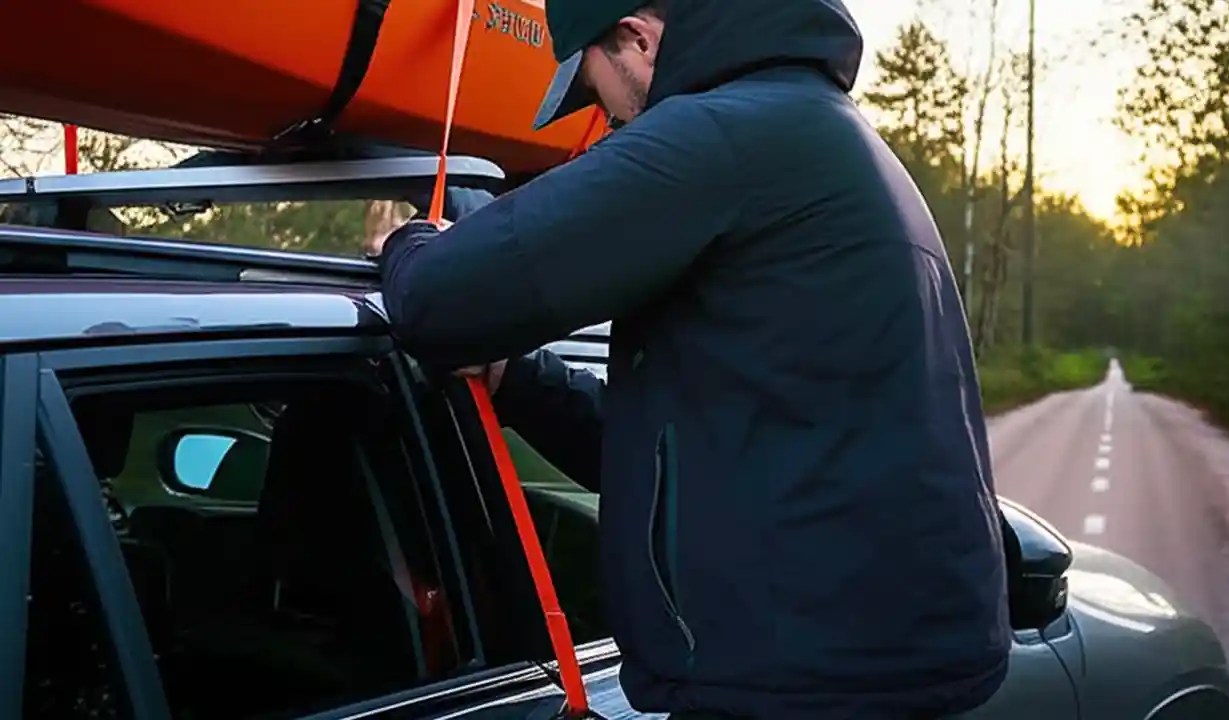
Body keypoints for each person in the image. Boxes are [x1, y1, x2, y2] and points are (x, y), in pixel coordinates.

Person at [365, 0, 1012, 717]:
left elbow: (438, 301)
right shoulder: (810, 129)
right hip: (851, 658)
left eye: (593, 90)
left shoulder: (721, 135)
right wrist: (520, 380)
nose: (606, 122)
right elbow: (688, 450)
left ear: (637, 40)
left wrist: (409, 241)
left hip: (806, 681)